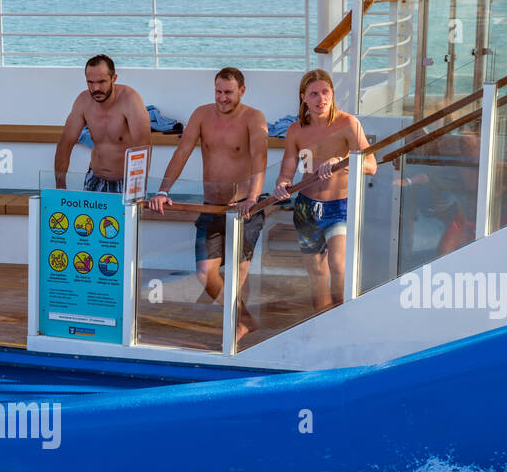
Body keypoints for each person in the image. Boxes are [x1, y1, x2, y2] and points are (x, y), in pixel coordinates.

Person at [147, 67, 269, 340]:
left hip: (245, 208)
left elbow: (260, 159)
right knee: (205, 274)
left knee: (238, 275)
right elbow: (182, 152)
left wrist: (252, 199)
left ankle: (236, 330)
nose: (222, 98)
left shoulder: (254, 117)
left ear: (242, 91)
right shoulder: (201, 115)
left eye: (228, 92)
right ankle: (245, 320)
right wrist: (163, 190)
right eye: (218, 91)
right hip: (210, 205)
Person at [272, 69, 377, 311]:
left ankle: (342, 318)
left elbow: (371, 165)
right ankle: (321, 323)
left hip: (339, 208)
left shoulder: (348, 123)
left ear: (332, 93)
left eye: (325, 92)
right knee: (317, 274)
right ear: (303, 98)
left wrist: (340, 161)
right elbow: (287, 172)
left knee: (339, 266)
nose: (321, 99)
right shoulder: (295, 130)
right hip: (306, 208)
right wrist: (281, 185)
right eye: (314, 94)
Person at [54, 54, 152, 193]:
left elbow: (143, 148)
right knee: (86, 215)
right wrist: (60, 185)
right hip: (94, 178)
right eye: (90, 82)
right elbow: (65, 144)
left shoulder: (130, 100)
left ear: (114, 78)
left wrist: (136, 190)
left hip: (125, 182)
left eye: (101, 82)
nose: (95, 88)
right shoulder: (83, 101)